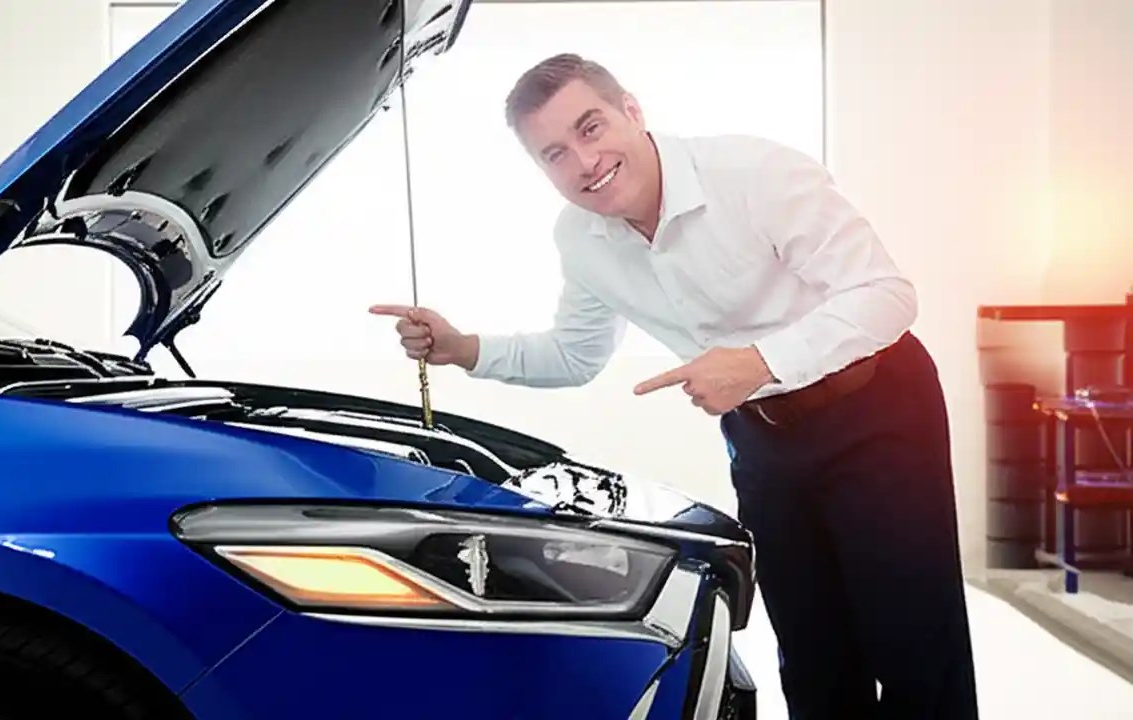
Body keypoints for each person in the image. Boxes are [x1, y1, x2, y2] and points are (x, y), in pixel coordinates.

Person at [369, 53, 978, 719]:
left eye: (591, 127)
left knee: (913, 644)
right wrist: (462, 349)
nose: (584, 161)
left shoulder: (754, 174)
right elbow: (576, 354)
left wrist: (760, 361)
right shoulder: (581, 240)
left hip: (876, 405)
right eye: (555, 154)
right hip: (762, 436)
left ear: (632, 110)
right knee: (810, 653)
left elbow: (885, 296)